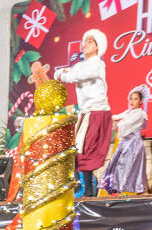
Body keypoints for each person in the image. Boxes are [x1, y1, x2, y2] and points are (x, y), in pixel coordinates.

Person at [56, 29, 111, 197]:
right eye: (85, 41)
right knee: (77, 150)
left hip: (97, 113)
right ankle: (85, 188)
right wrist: (62, 73)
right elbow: (70, 73)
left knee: (86, 150)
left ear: (97, 46)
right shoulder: (80, 65)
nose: (86, 44)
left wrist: (62, 74)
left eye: (90, 41)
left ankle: (89, 192)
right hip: (86, 113)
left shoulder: (97, 64)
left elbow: (77, 76)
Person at [101, 86, 149, 195]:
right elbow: (117, 117)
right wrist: (111, 118)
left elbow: (128, 124)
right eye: (131, 99)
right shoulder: (128, 112)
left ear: (140, 101)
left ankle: (135, 191)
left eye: (135, 99)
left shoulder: (140, 114)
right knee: (118, 167)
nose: (132, 101)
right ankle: (118, 190)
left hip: (134, 145)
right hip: (124, 144)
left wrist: (118, 122)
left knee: (131, 169)